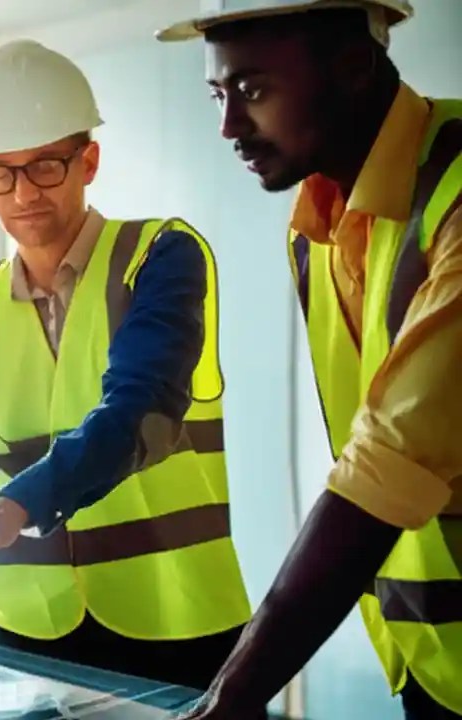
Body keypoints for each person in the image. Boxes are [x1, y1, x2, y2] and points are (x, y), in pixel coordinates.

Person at [0, 39, 254, 694]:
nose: (23, 192)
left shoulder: (161, 256)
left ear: (89, 160)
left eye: (46, 166)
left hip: (173, 624)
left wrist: (10, 510)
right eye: (0, 172)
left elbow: (140, 415)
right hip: (24, 631)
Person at [153, 1, 462, 718]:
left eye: (253, 90)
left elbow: (386, 467)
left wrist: (231, 696)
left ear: (353, 66)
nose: (228, 125)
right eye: (217, 94)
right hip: (431, 662)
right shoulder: (315, 229)